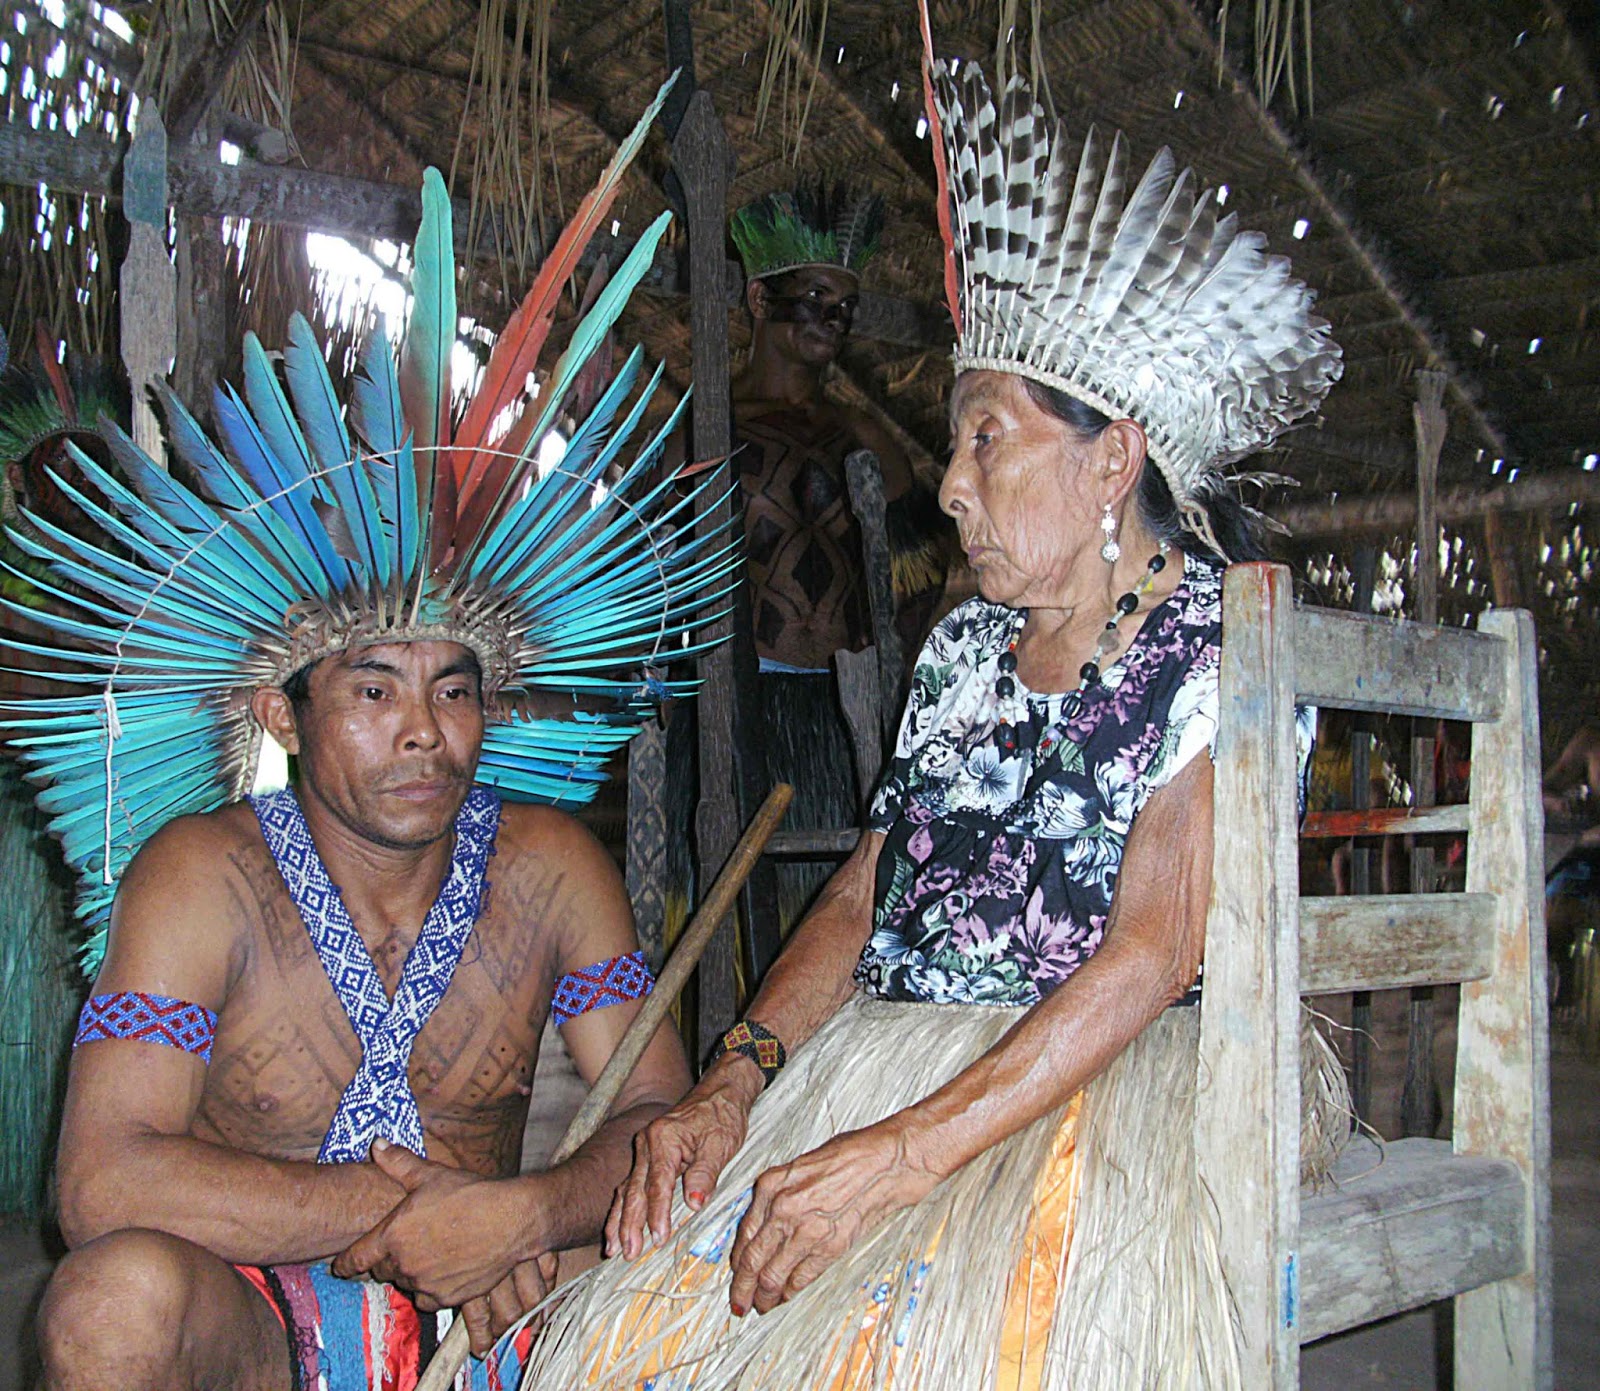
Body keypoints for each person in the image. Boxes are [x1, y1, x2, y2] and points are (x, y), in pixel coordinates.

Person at [519, 45, 1344, 1391]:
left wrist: (895, 1159)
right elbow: (862, 896)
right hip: (892, 1056)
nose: (950, 487)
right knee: (650, 1338)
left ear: (1110, 462)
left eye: (986, 441)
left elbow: (1147, 955)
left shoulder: (1221, 643)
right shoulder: (963, 649)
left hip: (1094, 1079)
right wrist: (732, 1083)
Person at [7, 85, 731, 1391]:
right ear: (284, 713)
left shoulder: (551, 869)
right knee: (104, 1304)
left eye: (455, 690)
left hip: (497, 1295)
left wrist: (528, 1213)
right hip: (260, 1308)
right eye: (374, 690)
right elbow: (103, 1178)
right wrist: (397, 1219)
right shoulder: (205, 873)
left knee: (696, 1272)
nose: (424, 733)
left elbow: (649, 1116)